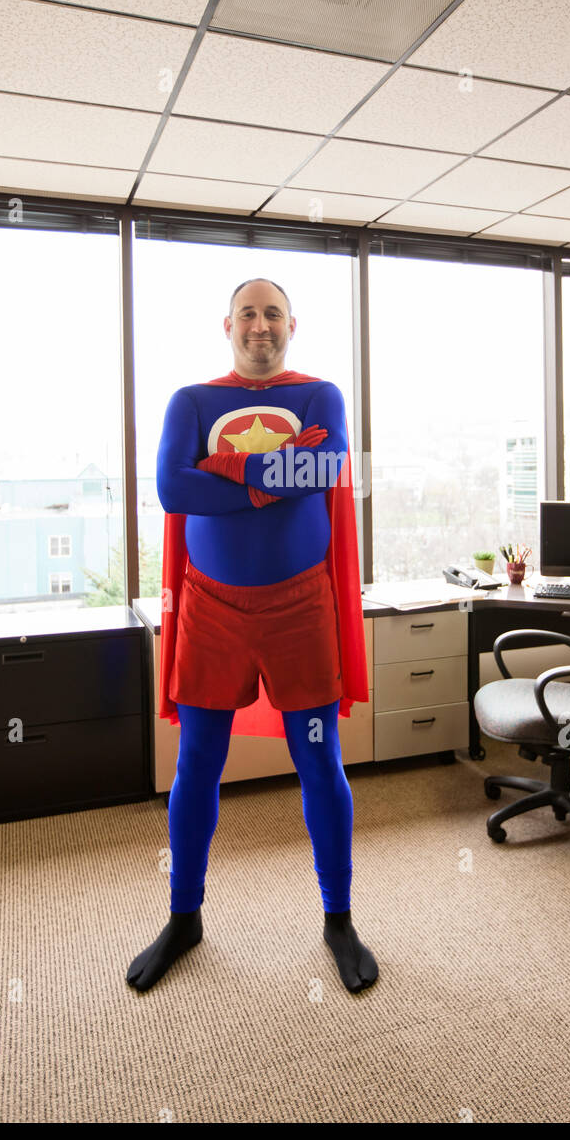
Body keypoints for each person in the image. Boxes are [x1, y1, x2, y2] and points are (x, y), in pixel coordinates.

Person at [126, 277, 377, 994]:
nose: (260, 325)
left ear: (291, 324)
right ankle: (184, 916)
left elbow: (323, 467)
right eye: (248, 314)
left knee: (318, 762)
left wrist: (223, 468)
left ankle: (338, 917)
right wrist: (276, 475)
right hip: (211, 611)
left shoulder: (320, 395)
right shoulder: (193, 400)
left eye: (272, 314)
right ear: (227, 324)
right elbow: (176, 491)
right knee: (197, 764)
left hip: (302, 610)